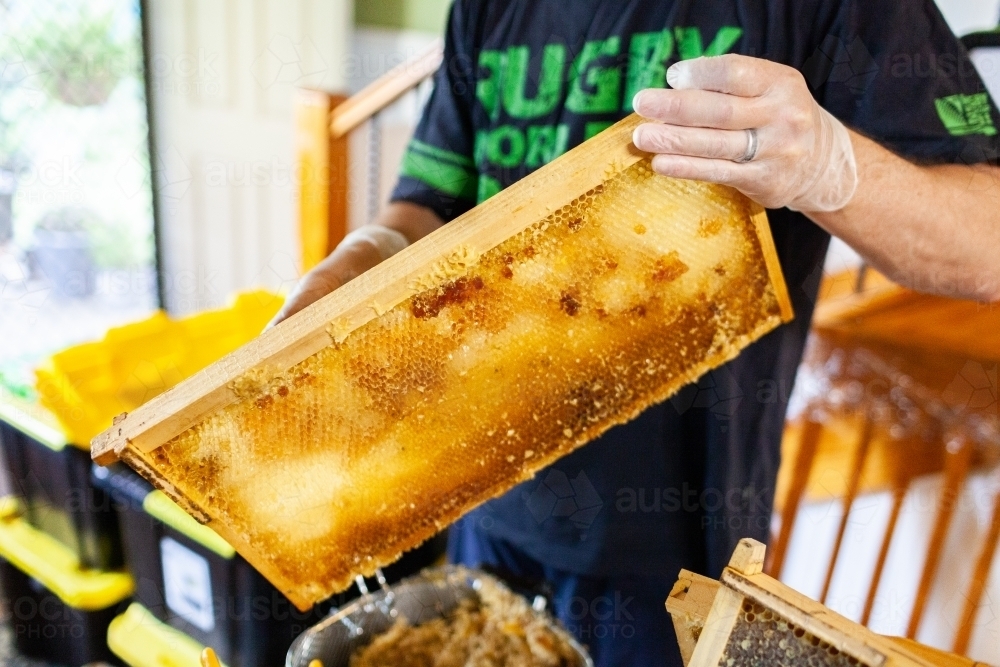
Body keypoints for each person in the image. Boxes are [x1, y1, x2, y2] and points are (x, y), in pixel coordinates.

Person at [272, 1, 1000, 665]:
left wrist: (829, 167)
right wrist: (360, 259)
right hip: (484, 504)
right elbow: (424, 205)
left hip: (673, 554)